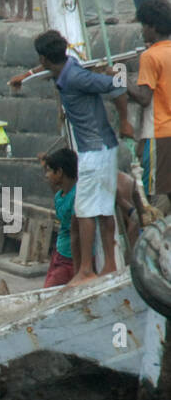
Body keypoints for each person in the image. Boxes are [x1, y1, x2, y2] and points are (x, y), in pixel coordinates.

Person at [9, 30, 134, 283]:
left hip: (93, 149)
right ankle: (109, 264)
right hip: (101, 147)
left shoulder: (75, 77)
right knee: (102, 209)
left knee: (85, 212)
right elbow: (46, 69)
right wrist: (28, 75)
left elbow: (117, 86)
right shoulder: (69, 66)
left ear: (44, 57)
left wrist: (124, 121)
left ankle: (86, 270)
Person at [124, 0, 171, 213]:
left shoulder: (150, 57)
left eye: (143, 25)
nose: (142, 30)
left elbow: (143, 97)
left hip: (159, 133)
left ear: (152, 26)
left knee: (155, 197)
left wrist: (120, 79)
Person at [41, 147, 78, 287]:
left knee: (47, 293)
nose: (47, 175)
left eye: (50, 170)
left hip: (70, 259)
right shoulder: (59, 196)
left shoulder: (76, 197)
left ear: (60, 172)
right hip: (59, 253)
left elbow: (76, 233)